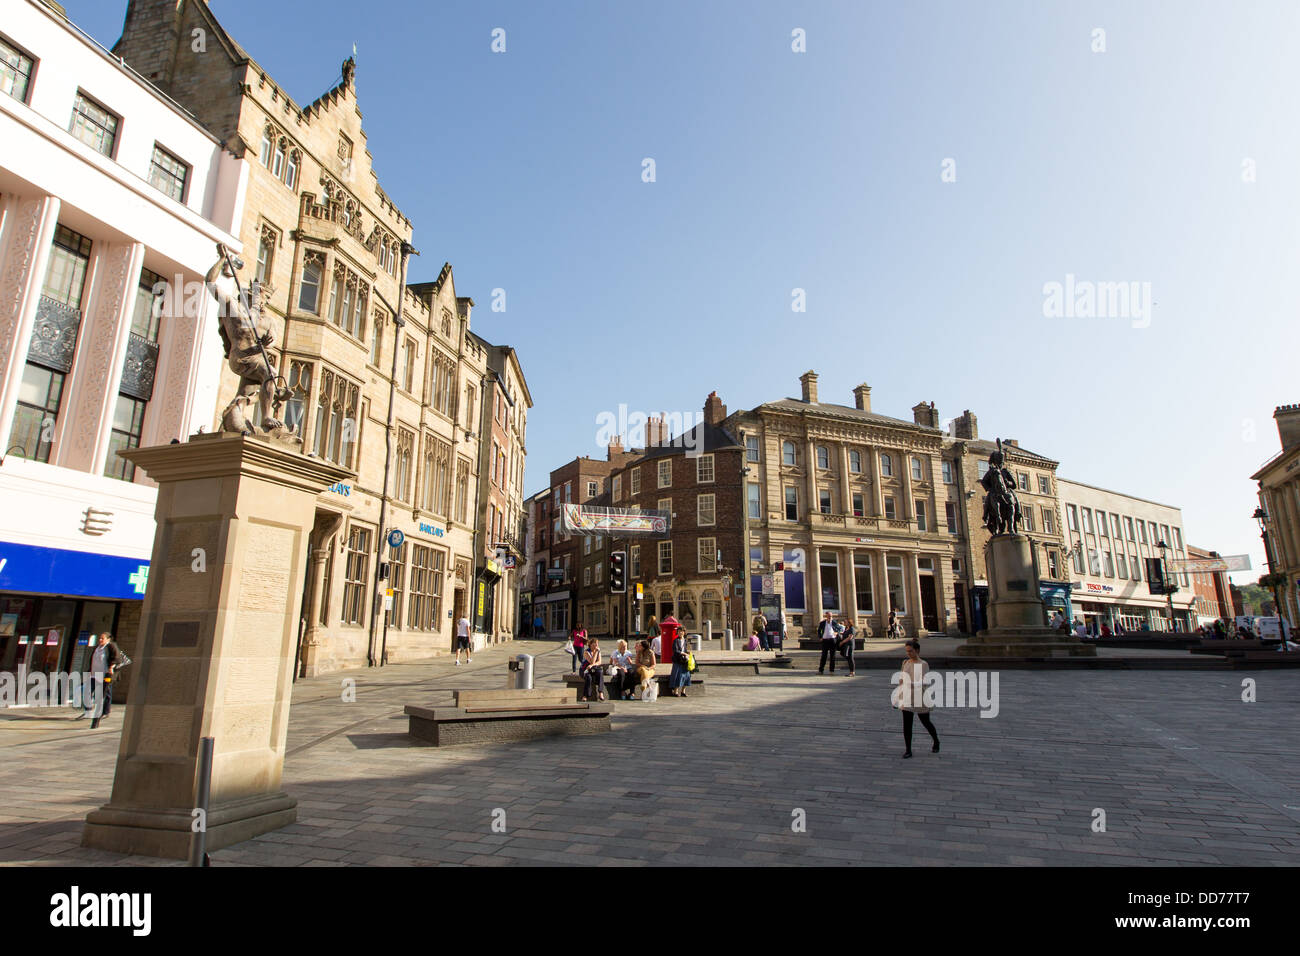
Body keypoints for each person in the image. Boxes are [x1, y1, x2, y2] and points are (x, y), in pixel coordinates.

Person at [893, 639, 940, 758]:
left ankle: (936, 740)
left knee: (926, 722)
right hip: (907, 696)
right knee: (907, 724)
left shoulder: (923, 664)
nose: (909, 653)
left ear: (917, 650)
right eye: (907, 651)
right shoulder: (905, 663)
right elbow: (902, 680)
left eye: (911, 651)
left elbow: (925, 681)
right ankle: (908, 749)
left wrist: (912, 684)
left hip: (920, 696)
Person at [83, 632, 120, 728]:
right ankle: (89, 709)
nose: (100, 640)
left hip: (105, 675)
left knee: (104, 694)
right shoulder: (97, 648)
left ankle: (104, 712)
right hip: (94, 674)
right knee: (88, 691)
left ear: (108, 639)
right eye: (99, 638)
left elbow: (116, 658)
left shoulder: (111, 646)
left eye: (102, 638)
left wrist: (111, 667)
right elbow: (92, 660)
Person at [668, 626, 692, 697]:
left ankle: (683, 691)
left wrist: (688, 653)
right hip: (678, 660)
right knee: (677, 676)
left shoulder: (685, 640)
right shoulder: (676, 640)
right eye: (679, 631)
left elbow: (686, 649)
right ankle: (675, 691)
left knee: (686, 676)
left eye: (682, 631)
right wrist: (683, 653)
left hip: (684, 661)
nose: (680, 633)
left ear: (684, 632)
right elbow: (675, 651)